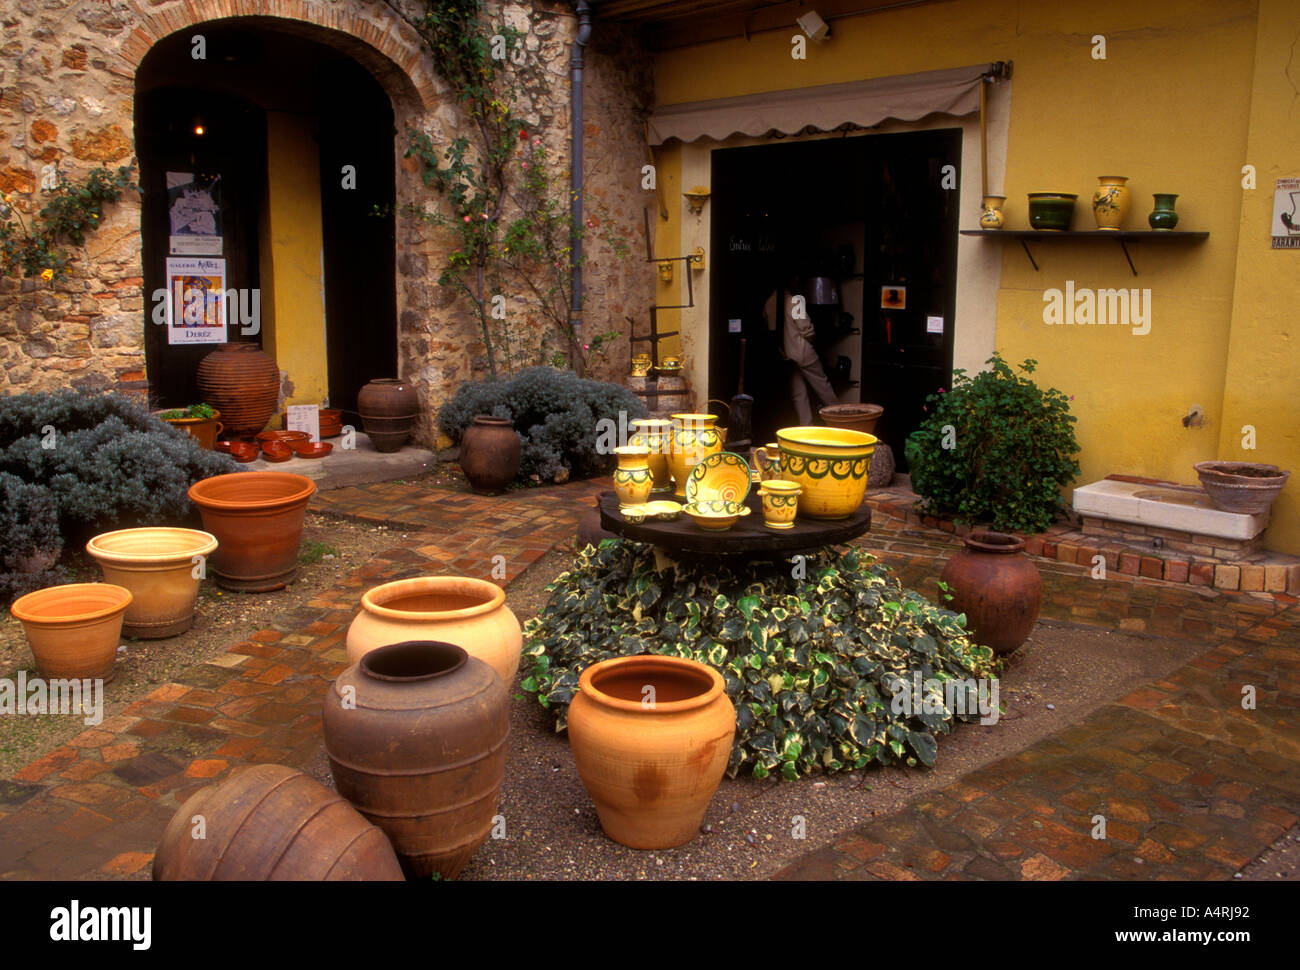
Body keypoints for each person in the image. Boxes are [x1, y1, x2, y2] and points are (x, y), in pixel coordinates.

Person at [762, 273, 839, 425]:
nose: (798, 280)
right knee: (823, 387)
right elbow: (807, 330)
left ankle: (806, 425)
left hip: (786, 354)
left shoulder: (769, 303)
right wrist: (812, 340)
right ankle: (841, 419)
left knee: (798, 394)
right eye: (795, 277)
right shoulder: (794, 301)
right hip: (802, 352)